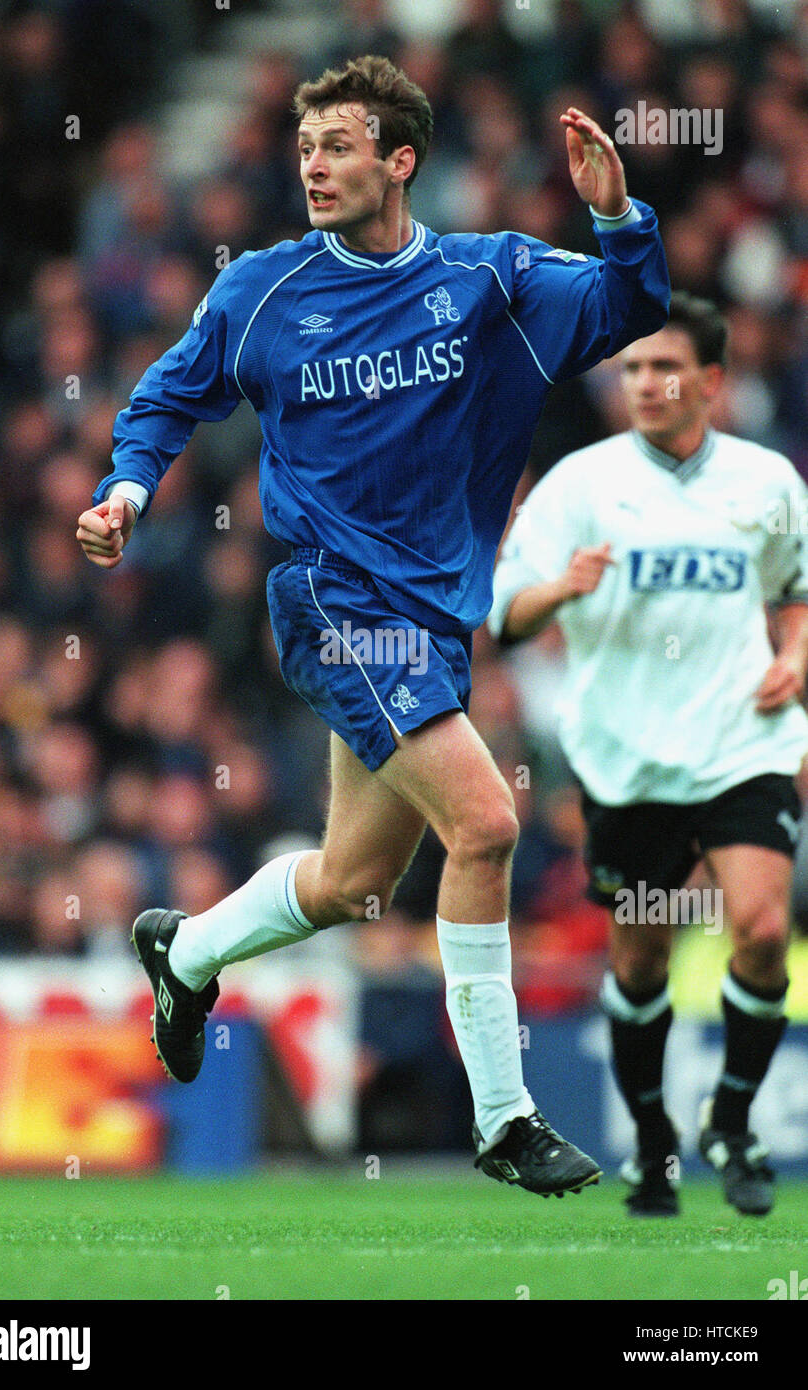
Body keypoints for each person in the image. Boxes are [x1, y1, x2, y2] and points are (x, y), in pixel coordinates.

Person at [77, 55, 669, 1198]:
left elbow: (622, 308)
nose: (313, 164)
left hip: (430, 620)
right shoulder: (258, 290)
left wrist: (613, 217)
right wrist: (129, 491)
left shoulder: (486, 280)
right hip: (329, 600)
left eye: (339, 144)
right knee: (487, 824)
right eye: (305, 147)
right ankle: (503, 1119)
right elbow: (165, 396)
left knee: (355, 883)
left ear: (400, 160)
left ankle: (184, 950)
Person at [489, 291, 808, 1215]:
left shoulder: (766, 483)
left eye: (663, 366)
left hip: (740, 740)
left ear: (710, 380)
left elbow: (796, 592)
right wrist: (559, 590)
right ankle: (653, 1140)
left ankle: (734, 1125)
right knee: (638, 964)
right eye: (630, 367)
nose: (643, 383)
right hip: (627, 760)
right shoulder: (578, 486)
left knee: (756, 927)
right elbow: (504, 615)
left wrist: (791, 657)